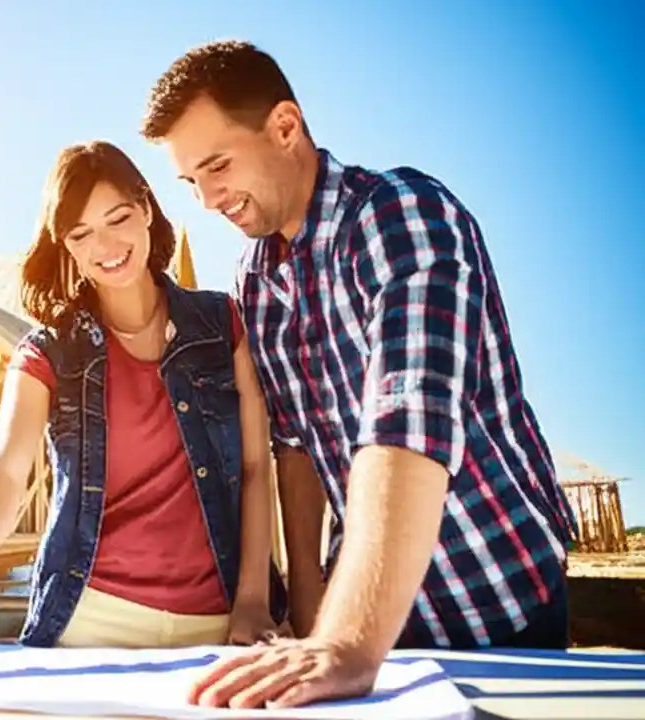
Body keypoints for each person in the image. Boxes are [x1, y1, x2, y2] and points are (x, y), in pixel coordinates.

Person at [138, 39, 580, 709]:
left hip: (498, 597)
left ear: (285, 127)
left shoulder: (401, 214)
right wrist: (316, 619)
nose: (206, 198)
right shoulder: (253, 283)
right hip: (382, 632)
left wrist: (345, 641)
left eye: (217, 165)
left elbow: (410, 423)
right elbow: (296, 452)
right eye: (190, 181)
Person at [0, 140, 288, 673]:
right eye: (82, 234)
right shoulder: (49, 353)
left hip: (223, 622)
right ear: (65, 245)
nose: (107, 245)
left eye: (118, 219)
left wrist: (253, 601)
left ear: (145, 209)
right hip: (92, 624)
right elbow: (5, 466)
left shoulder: (221, 324)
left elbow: (257, 468)